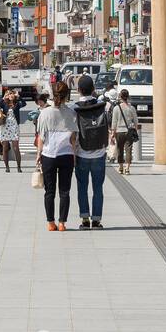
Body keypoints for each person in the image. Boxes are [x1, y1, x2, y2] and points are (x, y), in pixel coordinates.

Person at [36, 80, 77, 231]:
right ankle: (62, 223)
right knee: (65, 191)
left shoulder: (44, 113)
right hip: (66, 154)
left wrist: (38, 154)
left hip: (48, 155)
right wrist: (75, 154)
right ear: (67, 96)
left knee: (49, 191)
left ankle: (50, 223)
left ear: (53, 95)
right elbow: (73, 138)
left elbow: (41, 137)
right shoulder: (72, 113)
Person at [71, 74, 110, 229]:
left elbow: (73, 133)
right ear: (93, 89)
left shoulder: (75, 108)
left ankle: (85, 219)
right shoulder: (103, 106)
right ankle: (97, 220)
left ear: (79, 90)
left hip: (81, 154)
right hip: (99, 153)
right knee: (98, 188)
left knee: (82, 187)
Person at [109, 89, 139, 175]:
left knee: (120, 149)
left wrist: (112, 134)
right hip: (129, 131)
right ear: (128, 97)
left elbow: (114, 123)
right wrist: (135, 131)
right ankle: (127, 168)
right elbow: (136, 121)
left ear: (120, 97)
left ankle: (120, 167)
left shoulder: (116, 108)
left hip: (119, 131)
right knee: (129, 150)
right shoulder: (132, 108)